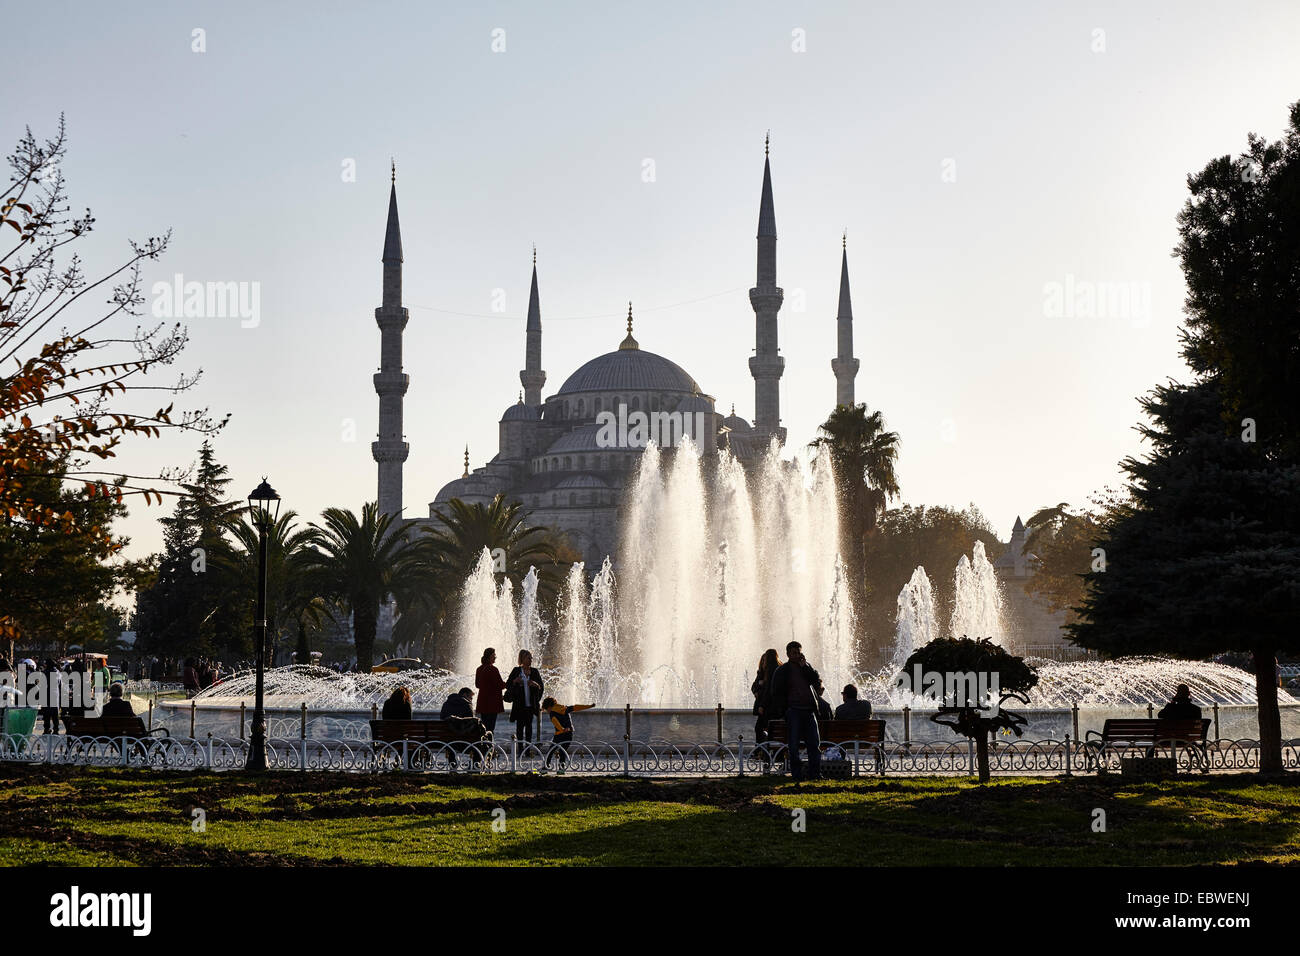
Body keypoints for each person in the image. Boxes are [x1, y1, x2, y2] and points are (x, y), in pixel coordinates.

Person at [768, 640, 823, 782]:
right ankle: (797, 774)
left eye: (798, 652)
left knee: (814, 744)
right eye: (793, 653)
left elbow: (816, 680)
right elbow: (775, 692)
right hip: (793, 711)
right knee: (793, 745)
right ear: (787, 654)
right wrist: (783, 710)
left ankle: (815, 773)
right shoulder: (782, 670)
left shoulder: (806, 667)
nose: (796, 655)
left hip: (809, 710)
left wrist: (804, 666)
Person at [541, 696, 594, 772]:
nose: (547, 711)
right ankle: (561, 768)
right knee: (563, 751)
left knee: (551, 750)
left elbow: (555, 721)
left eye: (546, 709)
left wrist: (561, 729)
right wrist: (589, 706)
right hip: (569, 733)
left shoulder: (552, 712)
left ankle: (546, 767)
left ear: (549, 706)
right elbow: (576, 707)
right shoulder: (564, 708)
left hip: (559, 734)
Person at [505, 649, 543, 743]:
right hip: (519, 704)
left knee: (529, 727)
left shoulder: (534, 671)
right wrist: (515, 681)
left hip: (530, 704)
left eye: (531, 658)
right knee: (520, 727)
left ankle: (528, 748)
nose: (531, 660)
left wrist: (535, 685)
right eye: (528, 658)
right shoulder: (516, 671)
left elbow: (541, 687)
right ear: (522, 659)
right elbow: (508, 684)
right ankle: (520, 747)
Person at [751, 649, 780, 752]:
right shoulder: (762, 672)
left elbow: (769, 691)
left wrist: (762, 705)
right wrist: (758, 686)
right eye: (762, 660)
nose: (764, 662)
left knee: (762, 728)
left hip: (769, 707)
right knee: (762, 728)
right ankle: (762, 751)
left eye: (765, 660)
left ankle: (762, 751)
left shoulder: (772, 671)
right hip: (766, 706)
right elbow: (753, 686)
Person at [475, 647, 507, 735]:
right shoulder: (493, 669)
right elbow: (500, 685)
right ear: (489, 656)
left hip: (483, 702)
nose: (495, 657)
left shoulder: (479, 669)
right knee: (491, 727)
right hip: (492, 703)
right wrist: (509, 683)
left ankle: (484, 745)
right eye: (494, 655)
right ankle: (489, 746)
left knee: (484, 726)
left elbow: (477, 685)